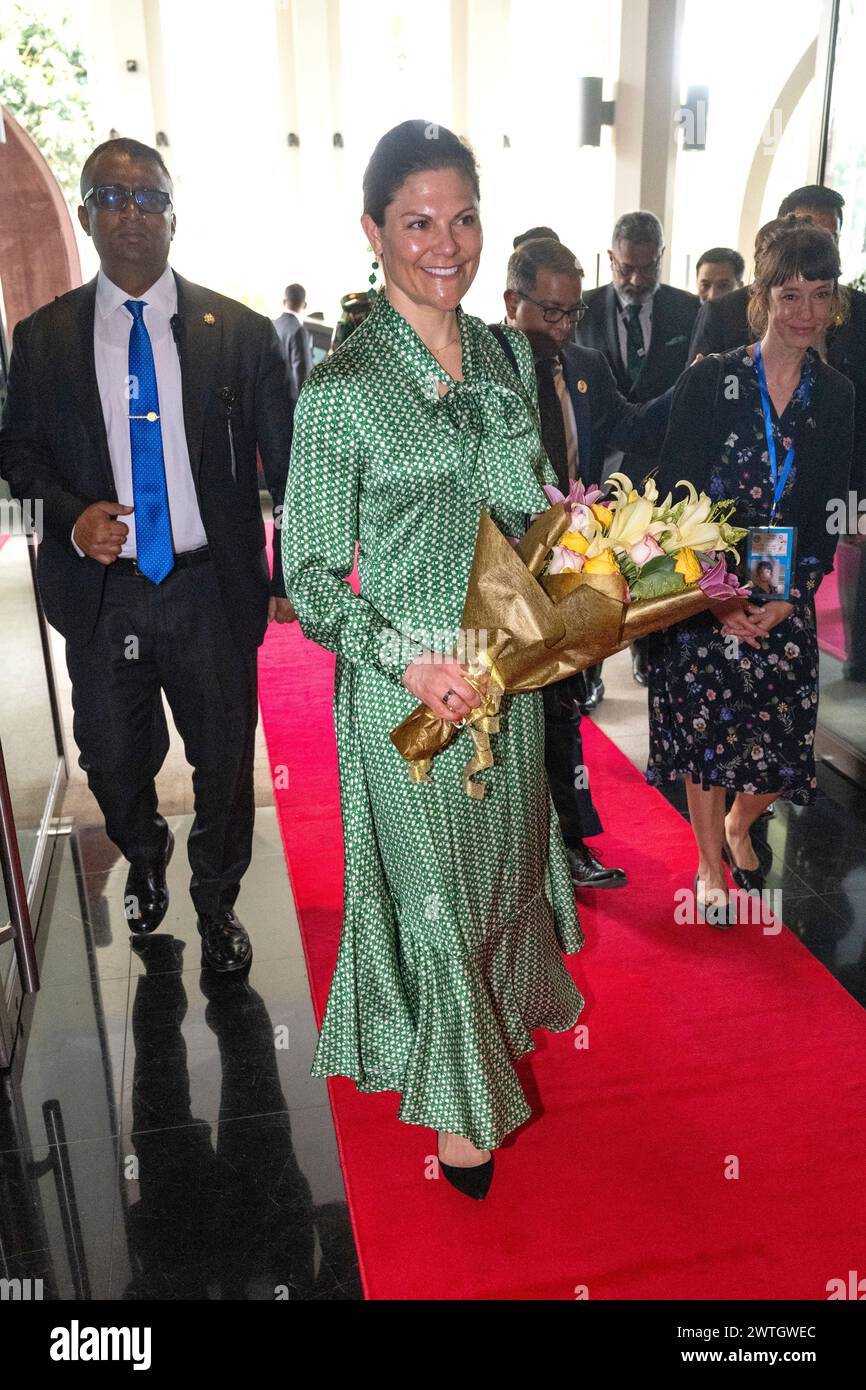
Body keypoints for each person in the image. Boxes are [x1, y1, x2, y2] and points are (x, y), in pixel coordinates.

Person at [282, 120, 585, 1200]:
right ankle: (460, 1115)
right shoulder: (341, 389)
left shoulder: (510, 351)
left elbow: (526, 507)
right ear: (373, 232)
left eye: (460, 216)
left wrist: (587, 547)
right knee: (440, 909)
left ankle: (487, 1048)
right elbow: (310, 577)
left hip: (508, 674)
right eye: (417, 221)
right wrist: (407, 662)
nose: (444, 242)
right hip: (406, 699)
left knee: (499, 886)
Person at [0, 137, 294, 972]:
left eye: (148, 197)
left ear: (174, 214)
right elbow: (18, 454)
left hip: (208, 587)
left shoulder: (234, 333)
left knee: (225, 759)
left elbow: (288, 458)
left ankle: (217, 900)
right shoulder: (45, 337)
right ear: (88, 213)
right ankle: (143, 852)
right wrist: (67, 515)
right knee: (114, 759)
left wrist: (285, 574)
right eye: (112, 196)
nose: (132, 213)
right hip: (104, 593)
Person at [646, 219, 854, 923]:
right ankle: (709, 863)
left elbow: (829, 505)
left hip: (781, 592)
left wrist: (793, 598)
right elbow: (675, 493)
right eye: (790, 294)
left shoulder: (839, 395)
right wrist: (712, 594)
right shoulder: (712, 380)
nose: (805, 314)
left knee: (782, 733)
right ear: (762, 296)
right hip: (708, 587)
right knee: (706, 733)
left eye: (821, 296)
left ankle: (741, 822)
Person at [499, 233, 671, 886]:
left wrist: (704, 384)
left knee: (563, 709)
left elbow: (633, 427)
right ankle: (509, 856)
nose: (563, 327)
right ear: (512, 300)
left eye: (573, 312)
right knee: (504, 715)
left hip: (570, 567)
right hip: (496, 572)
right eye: (550, 312)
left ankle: (568, 846)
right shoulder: (478, 366)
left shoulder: (588, 365)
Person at [576, 210, 700, 685]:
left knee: (655, 560)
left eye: (647, 268)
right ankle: (589, 669)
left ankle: (648, 649)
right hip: (597, 466)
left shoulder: (688, 311)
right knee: (592, 567)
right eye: (626, 268)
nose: (636, 279)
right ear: (611, 258)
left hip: (662, 462)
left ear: (661, 259)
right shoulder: (581, 308)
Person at [273, 282, 313, 402]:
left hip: (272, 396)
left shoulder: (272, 325)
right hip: (288, 401)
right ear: (304, 305)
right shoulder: (299, 331)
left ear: (284, 302)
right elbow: (302, 373)